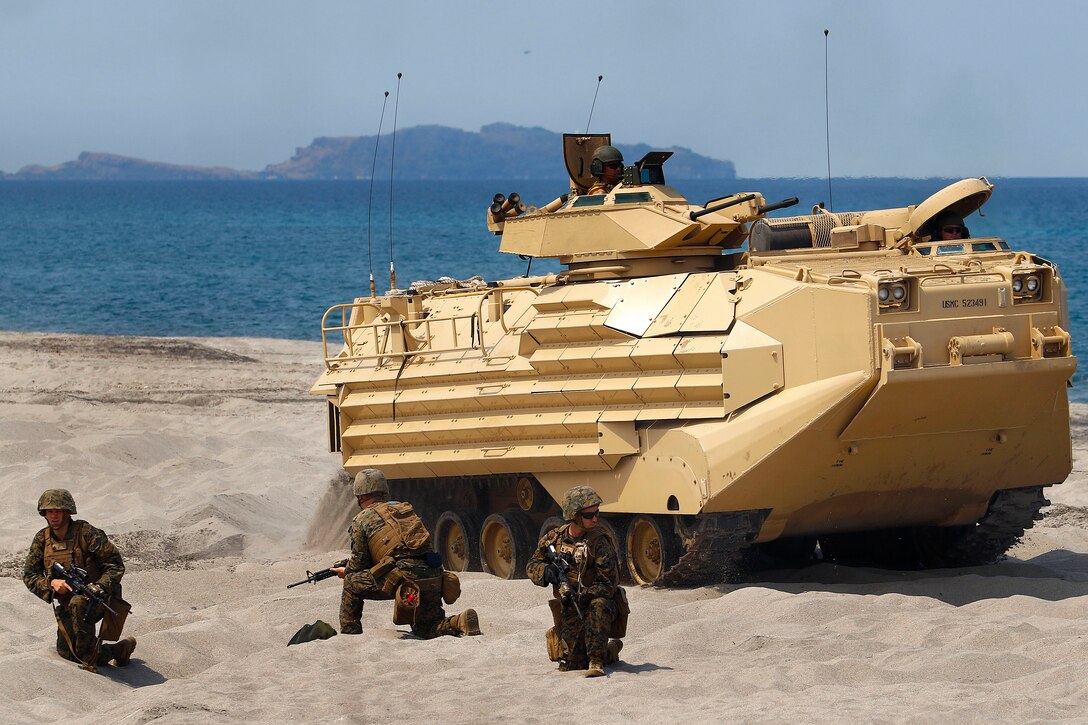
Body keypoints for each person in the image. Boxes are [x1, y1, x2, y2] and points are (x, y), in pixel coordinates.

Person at [332, 469, 482, 639]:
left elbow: (359, 564)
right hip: (431, 575)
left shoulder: (361, 519)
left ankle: (350, 636)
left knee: (351, 583)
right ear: (383, 491)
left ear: (359, 496)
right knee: (426, 629)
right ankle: (459, 622)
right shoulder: (403, 509)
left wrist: (346, 572)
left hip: (402, 579)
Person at [23, 489, 137, 672]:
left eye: (59, 511)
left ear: (68, 512)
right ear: (44, 513)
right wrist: (51, 584)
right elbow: (29, 574)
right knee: (67, 652)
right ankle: (117, 650)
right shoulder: (42, 539)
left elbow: (115, 566)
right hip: (67, 601)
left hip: (98, 598)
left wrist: (99, 587)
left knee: (79, 607)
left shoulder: (87, 533)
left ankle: (90, 665)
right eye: (50, 511)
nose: (54, 516)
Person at [527, 485, 624, 678]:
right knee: (569, 665)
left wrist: (585, 596)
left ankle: (597, 659)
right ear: (574, 515)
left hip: (596, 603)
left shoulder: (599, 542)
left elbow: (608, 583)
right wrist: (545, 571)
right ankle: (611, 651)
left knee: (599, 605)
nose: (595, 518)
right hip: (570, 607)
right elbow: (532, 563)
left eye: (597, 513)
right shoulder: (555, 539)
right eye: (589, 515)